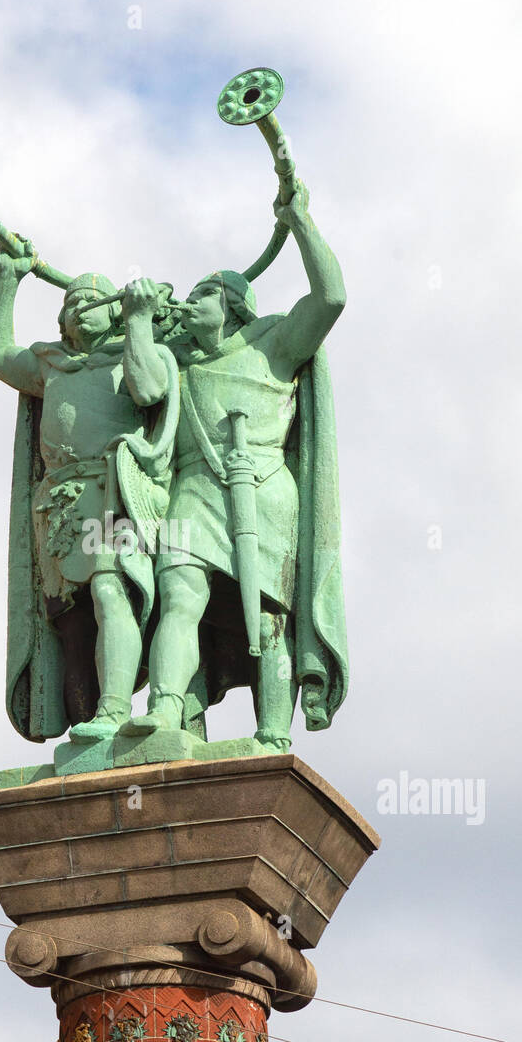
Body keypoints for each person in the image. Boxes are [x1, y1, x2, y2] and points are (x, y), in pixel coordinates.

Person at [120, 180, 349, 751]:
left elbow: (332, 299)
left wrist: (300, 222)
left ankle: (272, 734)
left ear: (230, 303)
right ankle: (166, 709)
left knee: (268, 618)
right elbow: (144, 389)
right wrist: (139, 322)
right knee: (179, 595)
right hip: (194, 491)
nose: (190, 304)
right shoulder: (176, 361)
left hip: (264, 488)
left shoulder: (271, 342)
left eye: (202, 294)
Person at [0, 242, 177, 744]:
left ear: (114, 313)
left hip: (114, 493)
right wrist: (7, 278)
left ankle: (115, 709)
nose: (79, 309)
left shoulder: (132, 353)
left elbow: (150, 391)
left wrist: (138, 321)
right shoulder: (51, 365)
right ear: (62, 321)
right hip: (58, 506)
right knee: (71, 623)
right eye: (71, 304)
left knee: (112, 590)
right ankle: (86, 727)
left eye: (93, 301)